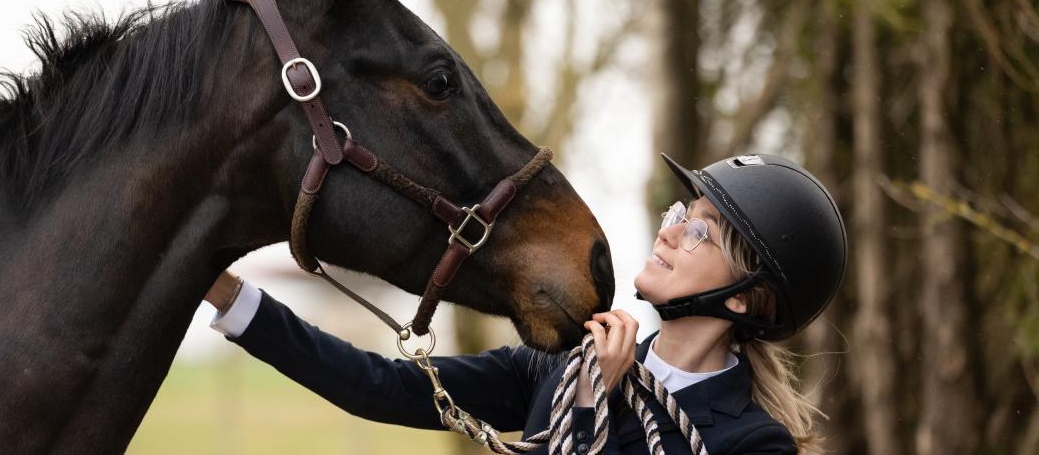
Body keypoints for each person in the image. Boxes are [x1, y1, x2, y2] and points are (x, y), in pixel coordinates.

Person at [204, 153, 846, 454]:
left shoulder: (752, 445)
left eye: (701, 231)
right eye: (680, 213)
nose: (670, 229)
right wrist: (226, 293)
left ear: (749, 299)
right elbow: (376, 386)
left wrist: (596, 406)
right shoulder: (562, 364)